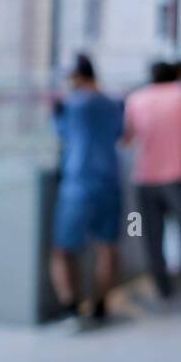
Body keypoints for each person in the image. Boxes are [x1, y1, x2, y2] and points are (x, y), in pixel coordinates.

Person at [123, 61, 181, 305]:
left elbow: (127, 139)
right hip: (180, 176)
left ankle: (163, 291)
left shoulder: (135, 98)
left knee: (152, 238)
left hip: (144, 177)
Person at [51, 53, 124, 324]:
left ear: (77, 77)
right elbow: (120, 134)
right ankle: (101, 305)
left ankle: (70, 306)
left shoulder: (71, 106)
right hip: (109, 183)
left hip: (78, 185)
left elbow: (59, 133)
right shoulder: (113, 104)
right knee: (107, 247)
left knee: (63, 250)